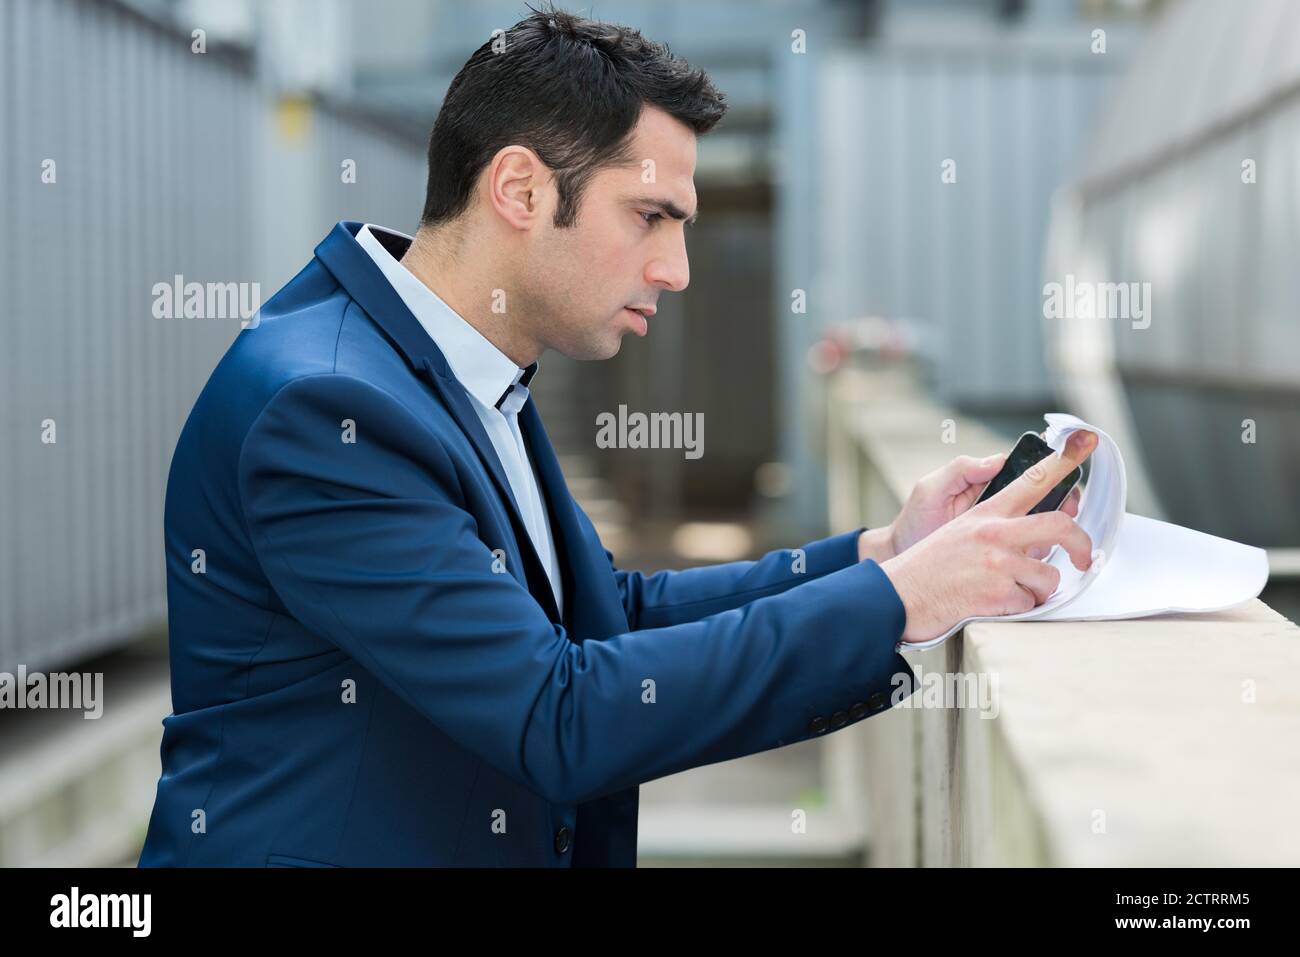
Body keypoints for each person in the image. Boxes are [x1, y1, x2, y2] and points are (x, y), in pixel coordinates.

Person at [138, 4, 1095, 868]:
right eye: (649, 217)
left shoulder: (454, 365)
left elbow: (600, 615)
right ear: (518, 189)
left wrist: (881, 555)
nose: (676, 268)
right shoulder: (328, 411)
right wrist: (900, 601)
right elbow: (557, 708)